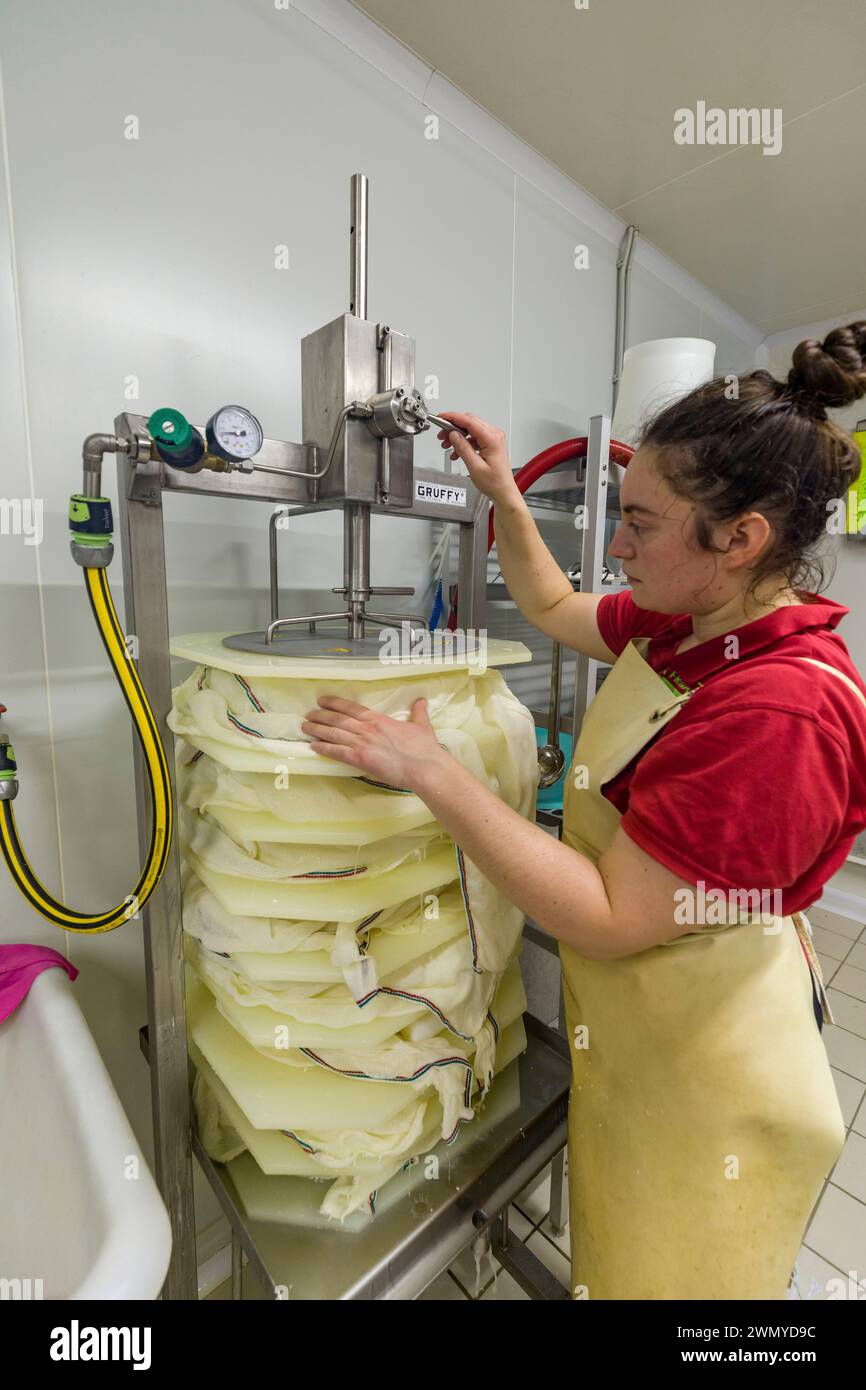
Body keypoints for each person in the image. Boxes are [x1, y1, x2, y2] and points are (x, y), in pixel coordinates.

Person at [301, 321, 866, 1300]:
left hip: (712, 1074)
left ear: (738, 539)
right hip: (651, 1023)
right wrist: (504, 496)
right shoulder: (697, 621)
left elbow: (608, 915)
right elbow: (556, 602)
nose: (615, 542)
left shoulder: (777, 710)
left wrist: (433, 771)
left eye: (639, 522)